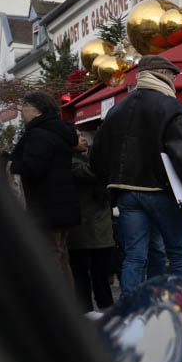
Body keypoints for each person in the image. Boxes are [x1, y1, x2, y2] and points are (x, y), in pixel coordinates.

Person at [91, 54, 182, 293]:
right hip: (161, 191)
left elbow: (98, 155)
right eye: (173, 76)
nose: (175, 80)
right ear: (164, 75)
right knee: (176, 251)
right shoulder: (172, 106)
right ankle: (180, 303)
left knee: (134, 256)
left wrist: (110, 186)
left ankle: (132, 309)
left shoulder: (117, 109)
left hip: (126, 194)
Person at [7, 91, 79, 280]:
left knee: (51, 259)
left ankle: (58, 308)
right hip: (61, 205)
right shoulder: (57, 131)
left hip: (46, 208)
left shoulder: (38, 134)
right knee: (61, 256)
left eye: (25, 106)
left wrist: (12, 164)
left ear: (37, 110)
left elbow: (33, 166)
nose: (21, 111)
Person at [69, 131, 115, 312]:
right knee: (82, 274)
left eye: (83, 135)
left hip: (99, 227)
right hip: (83, 227)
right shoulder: (71, 162)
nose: (83, 138)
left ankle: (105, 307)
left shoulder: (86, 159)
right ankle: (88, 310)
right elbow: (93, 173)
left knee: (100, 274)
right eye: (78, 136)